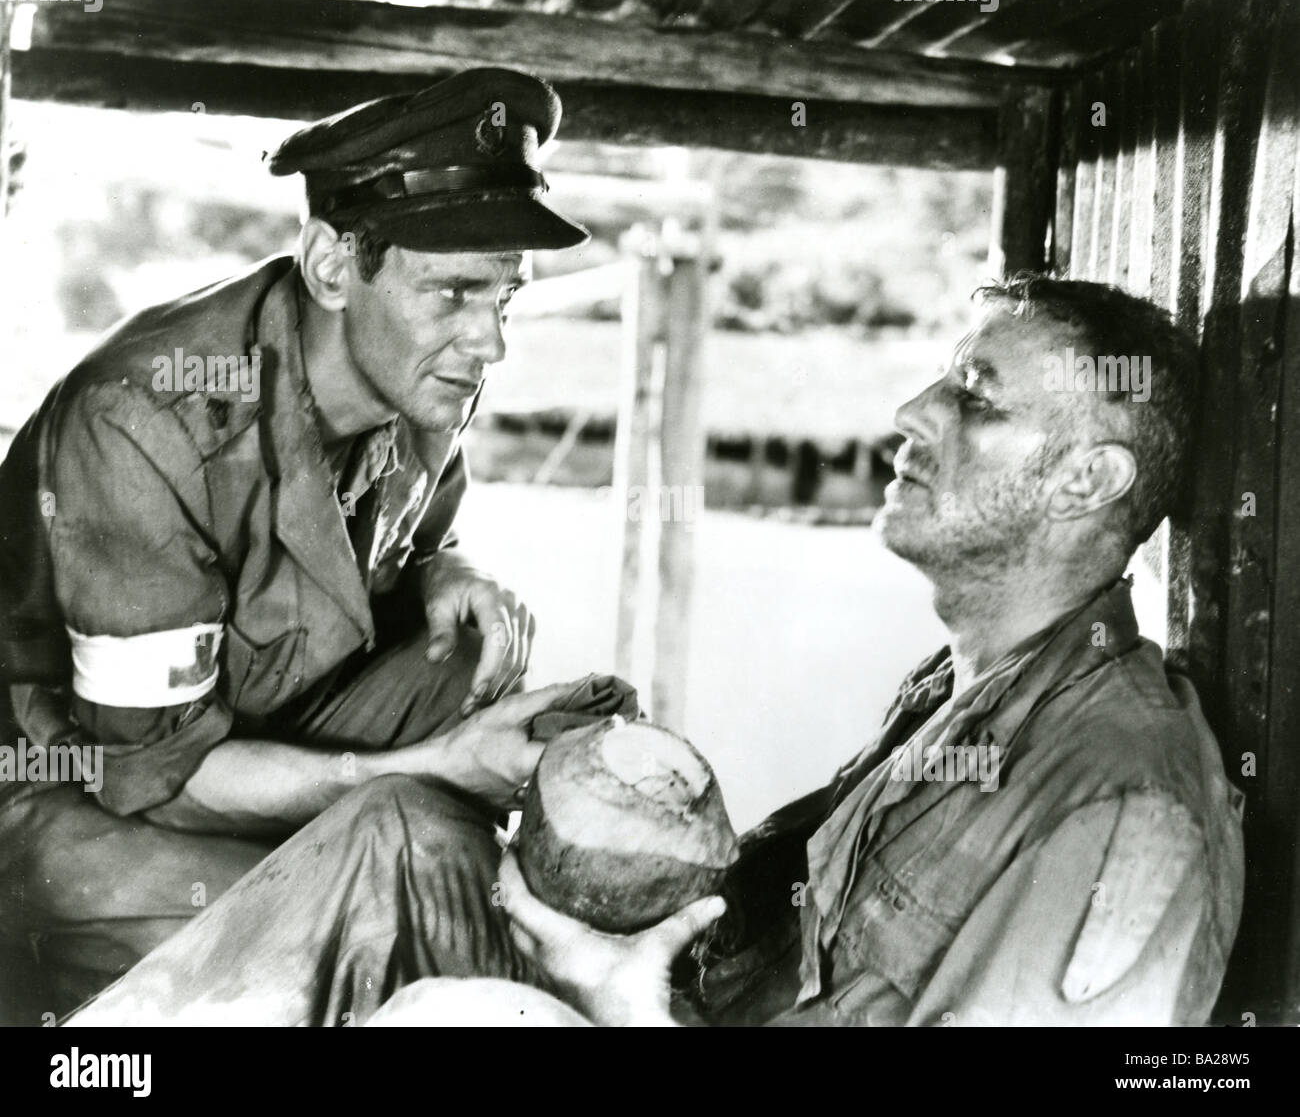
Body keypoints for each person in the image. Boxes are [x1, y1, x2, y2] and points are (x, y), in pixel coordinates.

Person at [60, 273, 1245, 1027]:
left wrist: (623, 1009)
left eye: (976, 400)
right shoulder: (957, 689)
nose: (910, 414)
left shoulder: (1125, 801)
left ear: (1090, 479)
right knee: (409, 830)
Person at [0, 67, 592, 1020]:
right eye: (453, 291)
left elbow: (413, 536)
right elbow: (159, 775)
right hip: (64, 809)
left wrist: (452, 566)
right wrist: (425, 774)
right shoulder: (143, 422)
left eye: (505, 298)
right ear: (329, 266)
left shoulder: (422, 379)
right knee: (401, 873)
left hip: (258, 740)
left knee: (481, 674)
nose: (490, 343)